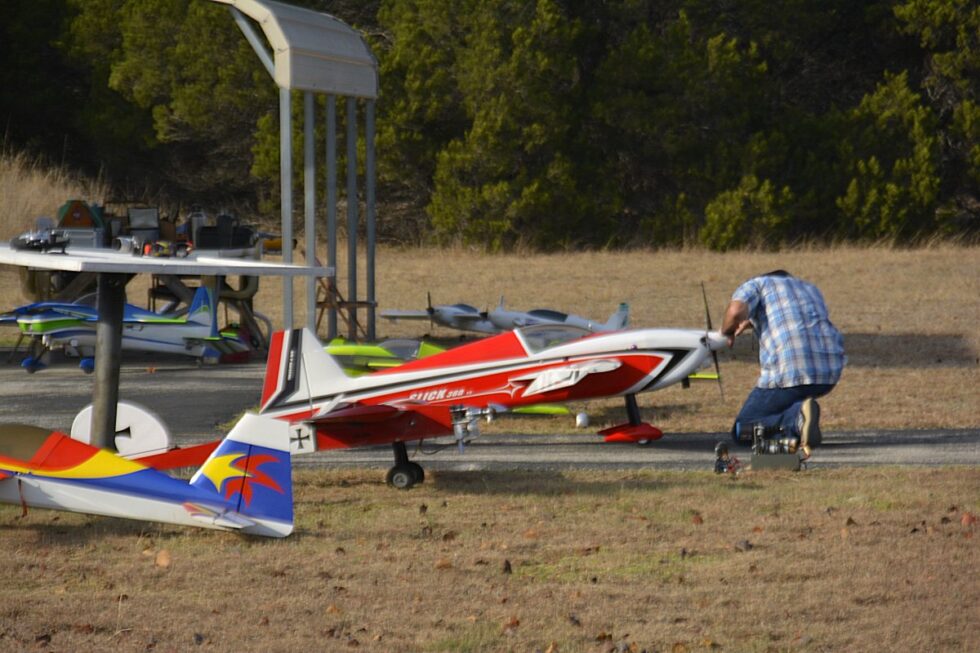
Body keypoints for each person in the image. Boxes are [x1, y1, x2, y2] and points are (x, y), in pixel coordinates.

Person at [721, 270, 845, 447]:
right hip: (829, 373)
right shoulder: (810, 288)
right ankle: (795, 429)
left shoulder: (757, 284)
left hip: (790, 371)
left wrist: (726, 331)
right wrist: (754, 319)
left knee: (743, 430)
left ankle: (795, 419)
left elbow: (735, 312)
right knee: (785, 403)